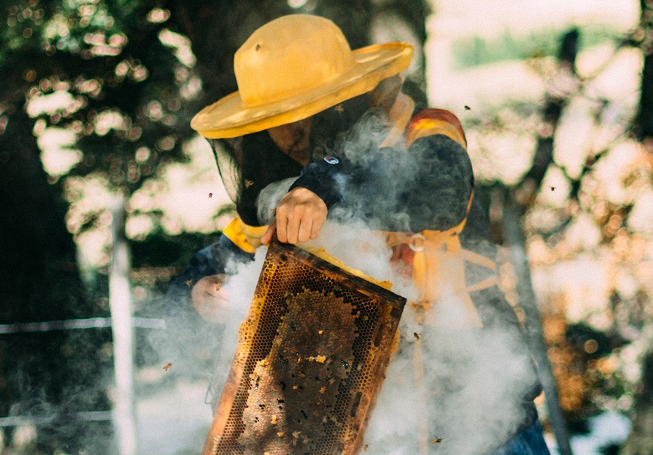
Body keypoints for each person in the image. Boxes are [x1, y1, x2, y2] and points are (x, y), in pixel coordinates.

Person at [167, 14, 551, 454]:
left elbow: (443, 189)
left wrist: (324, 185)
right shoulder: (281, 195)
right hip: (386, 438)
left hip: (485, 423)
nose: (293, 133)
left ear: (346, 99)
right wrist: (200, 292)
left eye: (306, 113)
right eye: (276, 119)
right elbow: (196, 276)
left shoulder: (426, 133)